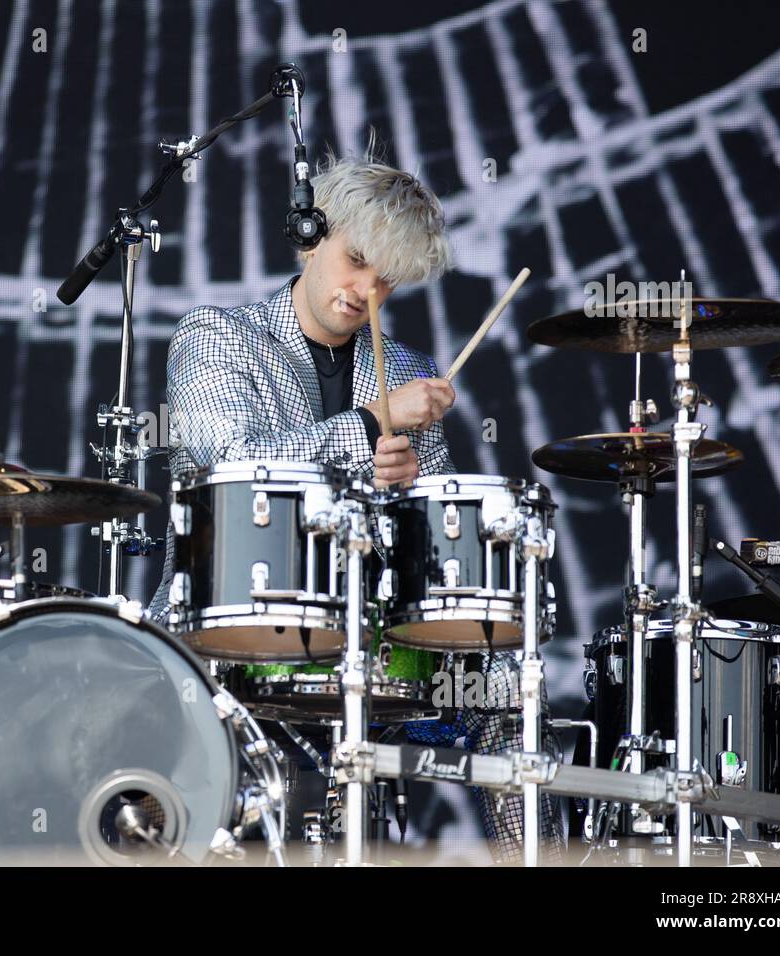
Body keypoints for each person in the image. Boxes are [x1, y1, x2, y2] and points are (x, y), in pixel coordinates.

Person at [148, 146, 562, 863]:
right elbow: (235, 460)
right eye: (356, 259)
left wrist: (411, 486)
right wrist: (371, 424)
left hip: (376, 642)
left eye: (388, 278)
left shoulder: (407, 368)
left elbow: (438, 516)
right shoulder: (215, 336)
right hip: (226, 633)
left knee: (505, 683)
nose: (366, 288)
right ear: (313, 236)